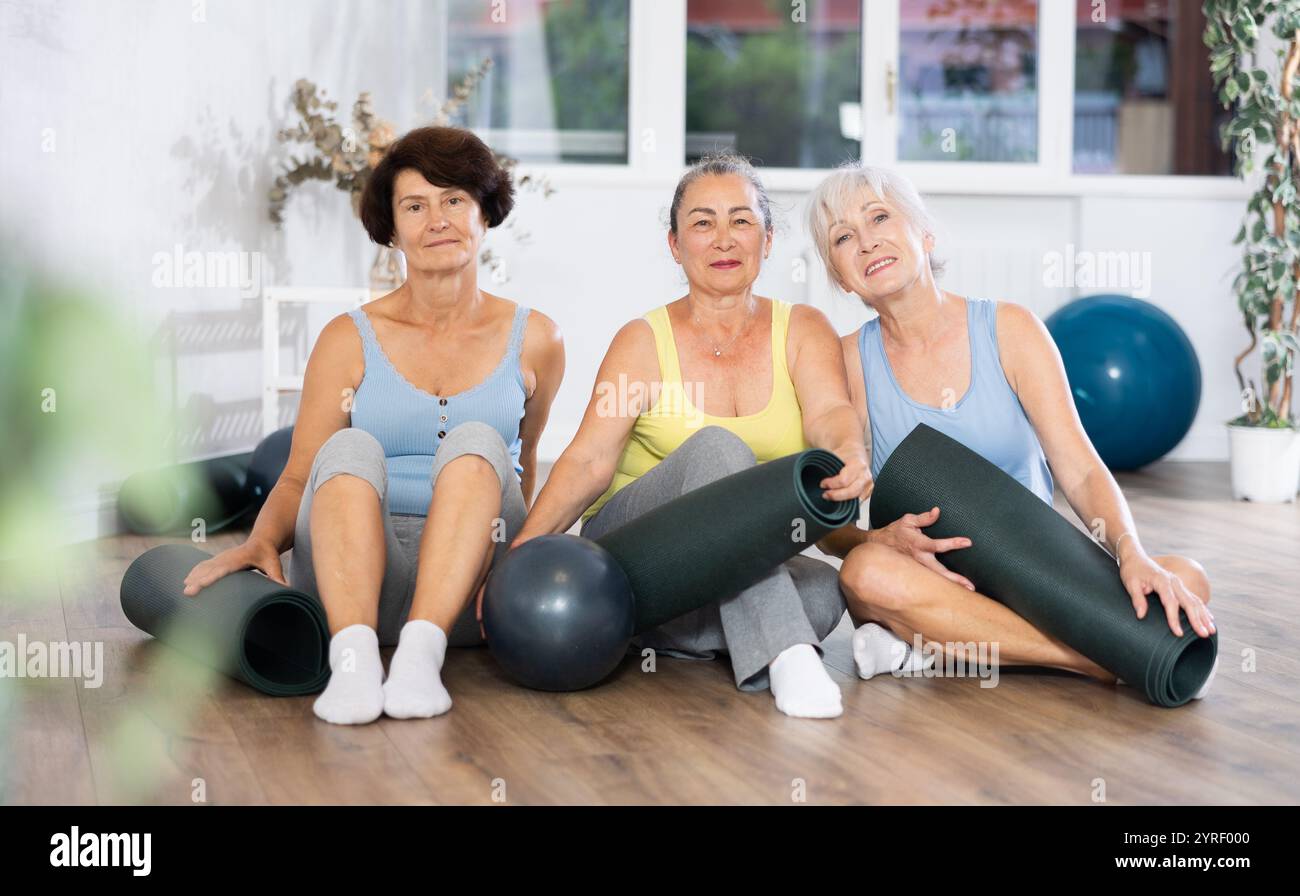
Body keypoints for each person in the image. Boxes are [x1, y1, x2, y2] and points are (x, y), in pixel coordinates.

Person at [182, 126, 564, 724]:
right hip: (353, 584)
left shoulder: (537, 337)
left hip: (473, 594)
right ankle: (355, 663)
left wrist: (523, 563)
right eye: (416, 205)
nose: (437, 219)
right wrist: (259, 541)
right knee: (351, 446)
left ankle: (419, 659)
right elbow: (300, 473)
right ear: (391, 229)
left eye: (454, 200)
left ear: (485, 214)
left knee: (477, 443)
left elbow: (526, 461)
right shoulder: (348, 338)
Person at [806, 162, 1215, 695]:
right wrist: (876, 537)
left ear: (923, 233)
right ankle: (1095, 657)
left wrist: (1131, 553)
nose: (866, 242)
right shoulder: (848, 362)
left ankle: (932, 652)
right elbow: (828, 525)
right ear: (839, 275)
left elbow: (1080, 466)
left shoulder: (1010, 329)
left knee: (1187, 576)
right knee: (862, 574)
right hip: (935, 584)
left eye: (880, 217)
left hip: (1036, 575)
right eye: (843, 237)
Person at [504, 154, 870, 719]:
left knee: (825, 591)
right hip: (628, 551)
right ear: (675, 245)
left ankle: (656, 630)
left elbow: (830, 414)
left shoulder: (802, 330)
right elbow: (588, 461)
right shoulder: (642, 341)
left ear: (768, 239)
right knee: (720, 450)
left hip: (701, 575)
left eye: (741, 220)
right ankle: (788, 652)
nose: (723, 238)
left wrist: (848, 451)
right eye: (702, 222)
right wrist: (520, 553)